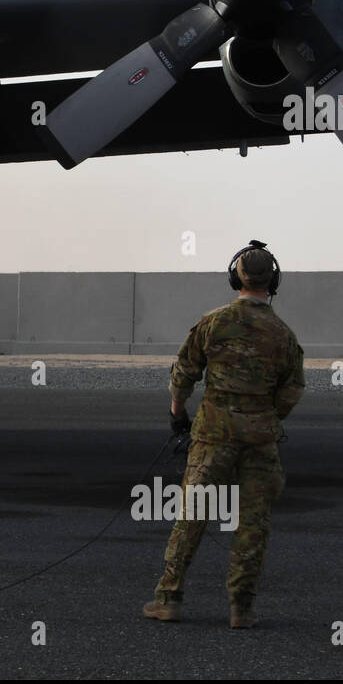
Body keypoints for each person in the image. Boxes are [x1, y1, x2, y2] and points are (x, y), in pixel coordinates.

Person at [142, 240, 305, 629]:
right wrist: (265, 416)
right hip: (259, 438)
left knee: (192, 513)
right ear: (273, 281)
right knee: (252, 522)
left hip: (212, 435)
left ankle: (168, 598)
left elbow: (183, 375)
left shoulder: (213, 322)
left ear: (236, 277)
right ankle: (242, 609)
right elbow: (291, 391)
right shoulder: (283, 335)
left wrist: (178, 415)